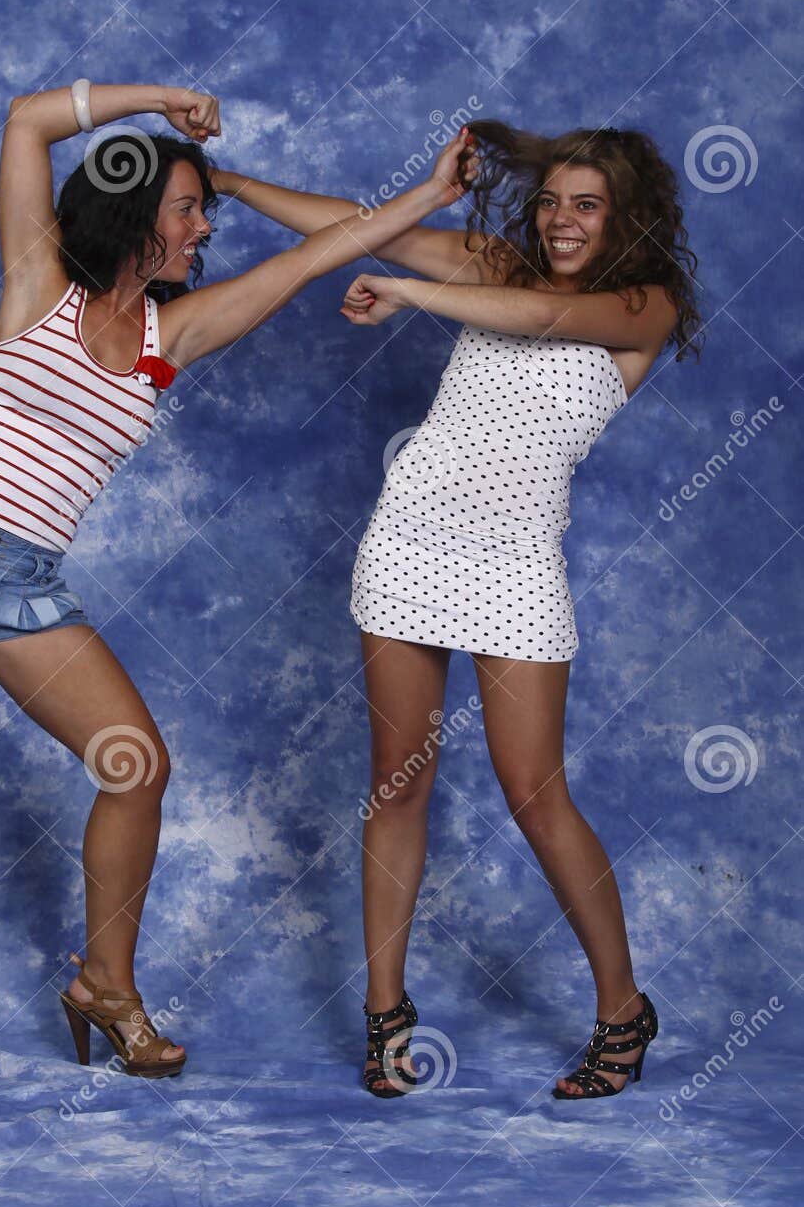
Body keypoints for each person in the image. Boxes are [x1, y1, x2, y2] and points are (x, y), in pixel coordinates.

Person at [0, 78, 476, 1108]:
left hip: (21, 577)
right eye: (188, 209)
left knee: (135, 764)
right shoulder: (38, 283)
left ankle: (104, 982)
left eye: (203, 210)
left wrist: (426, 195)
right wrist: (160, 99)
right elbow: (26, 118)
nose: (205, 227)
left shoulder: (174, 338)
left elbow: (315, 255)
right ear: (132, 212)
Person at [212, 122, 702, 1100]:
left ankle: (621, 1006)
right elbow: (355, 229)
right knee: (395, 784)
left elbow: (540, 322)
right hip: (406, 549)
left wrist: (407, 294)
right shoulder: (497, 260)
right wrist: (221, 179)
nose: (561, 219)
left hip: (514, 567)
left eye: (586, 204)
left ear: (625, 216)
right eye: (552, 200)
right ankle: (384, 1016)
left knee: (534, 794)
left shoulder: (642, 305)